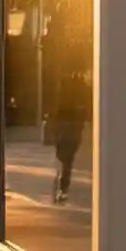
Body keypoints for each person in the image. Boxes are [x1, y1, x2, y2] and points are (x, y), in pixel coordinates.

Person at [51, 70, 89, 204]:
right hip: (71, 130)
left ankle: (60, 188)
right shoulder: (78, 99)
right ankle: (62, 188)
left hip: (65, 129)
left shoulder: (63, 99)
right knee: (67, 162)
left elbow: (56, 114)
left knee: (62, 160)